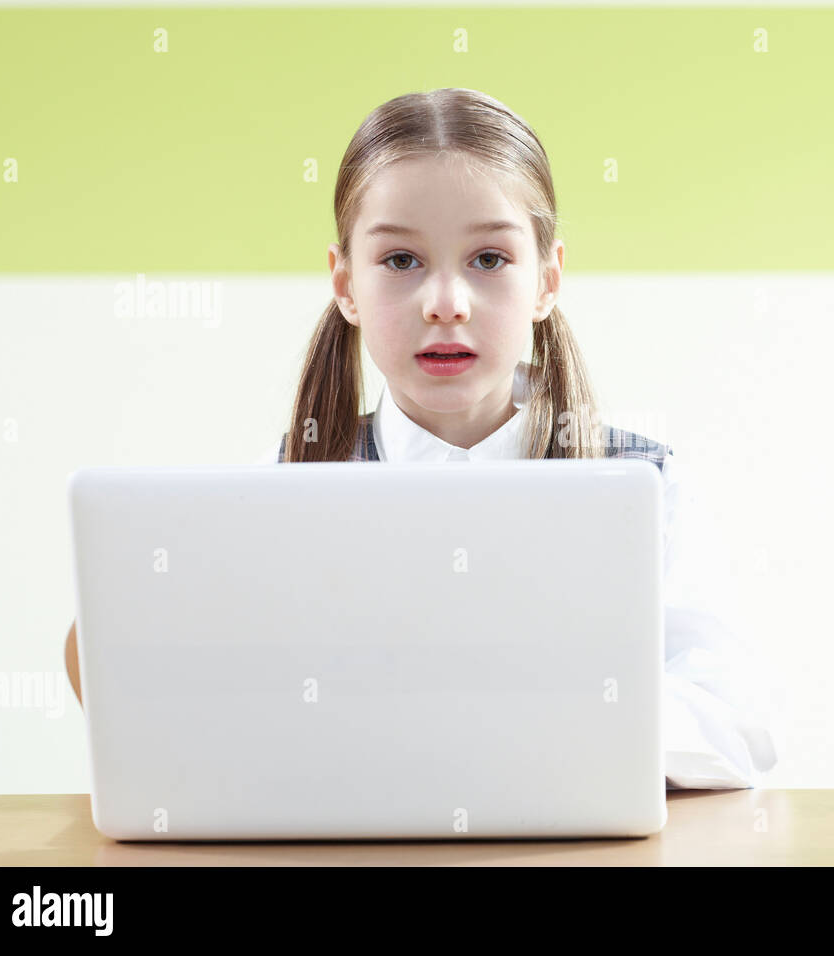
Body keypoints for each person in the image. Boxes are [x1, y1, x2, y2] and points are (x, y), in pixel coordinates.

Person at [67, 87, 778, 789]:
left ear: (547, 279)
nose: (445, 304)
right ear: (345, 284)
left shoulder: (647, 487)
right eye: (401, 261)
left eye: (489, 259)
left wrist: (524, 717)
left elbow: (736, 727)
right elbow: (178, 703)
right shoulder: (282, 485)